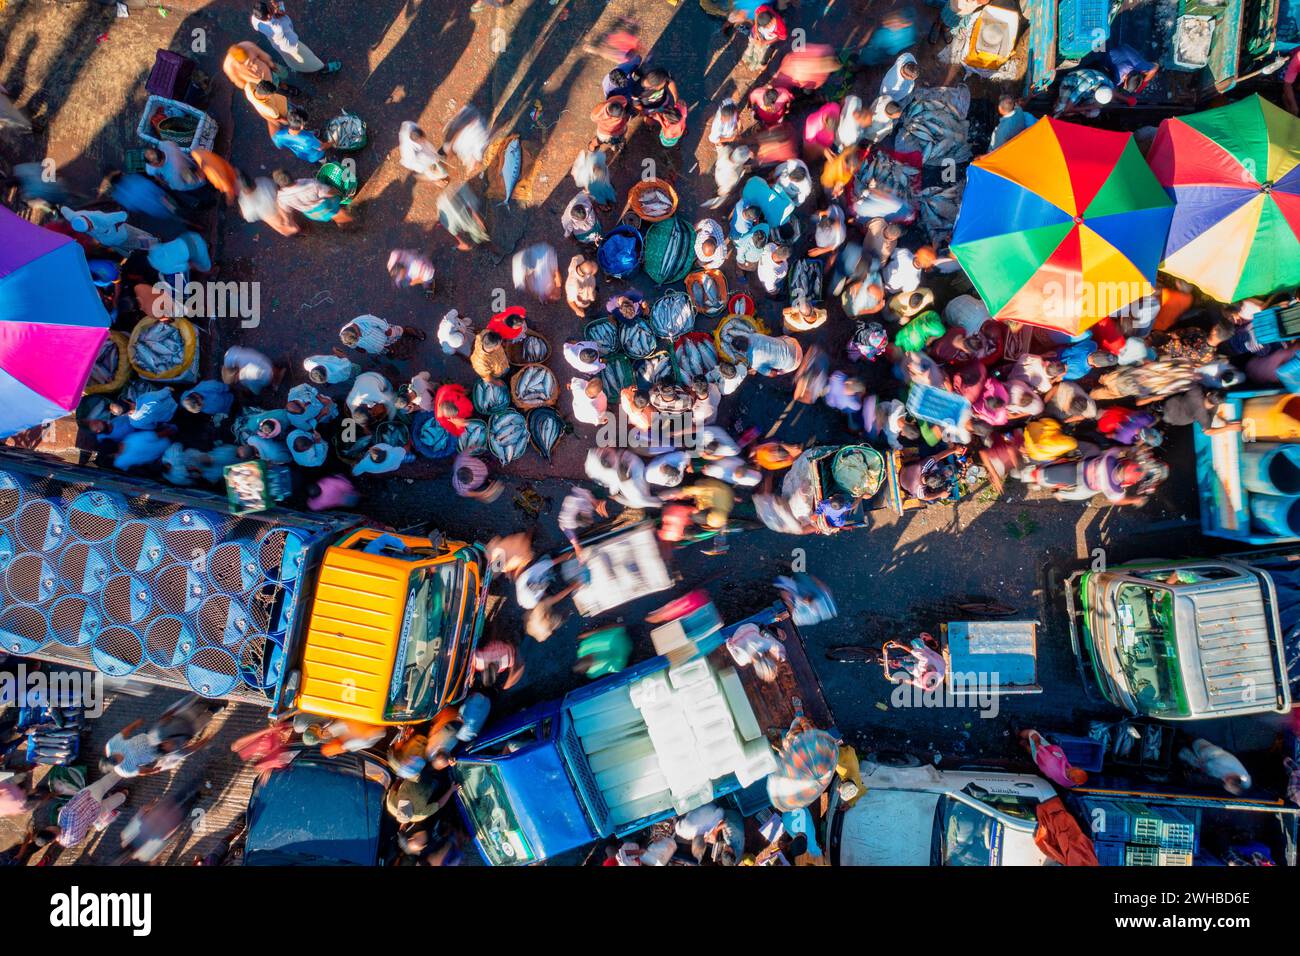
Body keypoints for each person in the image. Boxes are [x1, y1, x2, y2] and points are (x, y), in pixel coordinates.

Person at [250, 1, 340, 74]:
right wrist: (278, 6)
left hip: (278, 45)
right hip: (291, 44)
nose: (270, 16)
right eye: (269, 13)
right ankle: (321, 67)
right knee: (307, 57)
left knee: (289, 58)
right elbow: (282, 12)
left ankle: (296, 67)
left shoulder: (255, 20)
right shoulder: (277, 27)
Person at [59, 206, 155, 254]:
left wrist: (117, 225)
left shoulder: (103, 220)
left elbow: (123, 216)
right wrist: (61, 207)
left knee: (142, 241)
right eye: (87, 229)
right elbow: (66, 211)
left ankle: (155, 245)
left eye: (89, 226)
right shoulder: (73, 218)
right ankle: (151, 249)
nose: (90, 229)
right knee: (136, 245)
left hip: (123, 234)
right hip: (115, 242)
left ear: (87, 219)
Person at [274, 169, 352, 226]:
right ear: (291, 176)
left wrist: (287, 222)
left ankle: (337, 220)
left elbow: (286, 211)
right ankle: (344, 223)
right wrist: (338, 192)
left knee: (329, 216)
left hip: (312, 214)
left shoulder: (281, 197)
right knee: (340, 215)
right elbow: (329, 193)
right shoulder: (311, 185)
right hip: (326, 207)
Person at [1179, 738, 1251, 795]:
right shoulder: (1225, 763)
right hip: (1197, 747)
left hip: (1193, 758)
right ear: (1231, 780)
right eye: (1228, 784)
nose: (1224, 782)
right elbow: (1209, 751)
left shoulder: (1240, 781)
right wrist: (1202, 759)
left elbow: (1246, 781)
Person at [1020, 728, 1088, 787]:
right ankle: (1024, 744)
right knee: (1033, 752)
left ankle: (1019, 734)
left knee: (1032, 734)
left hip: (1042, 756)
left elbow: (1038, 747)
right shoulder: (1070, 783)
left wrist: (1036, 740)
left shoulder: (1051, 762)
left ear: (1071, 772)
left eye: (1078, 768)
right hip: (1042, 764)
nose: (1077, 767)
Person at [340, 313, 424, 357]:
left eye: (358, 337)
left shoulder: (363, 320)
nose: (359, 339)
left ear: (355, 330)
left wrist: (388, 330)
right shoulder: (346, 338)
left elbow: (378, 322)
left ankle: (411, 331)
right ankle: (390, 350)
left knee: (400, 331)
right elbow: (353, 346)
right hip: (377, 347)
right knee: (388, 350)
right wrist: (359, 349)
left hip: (386, 335)